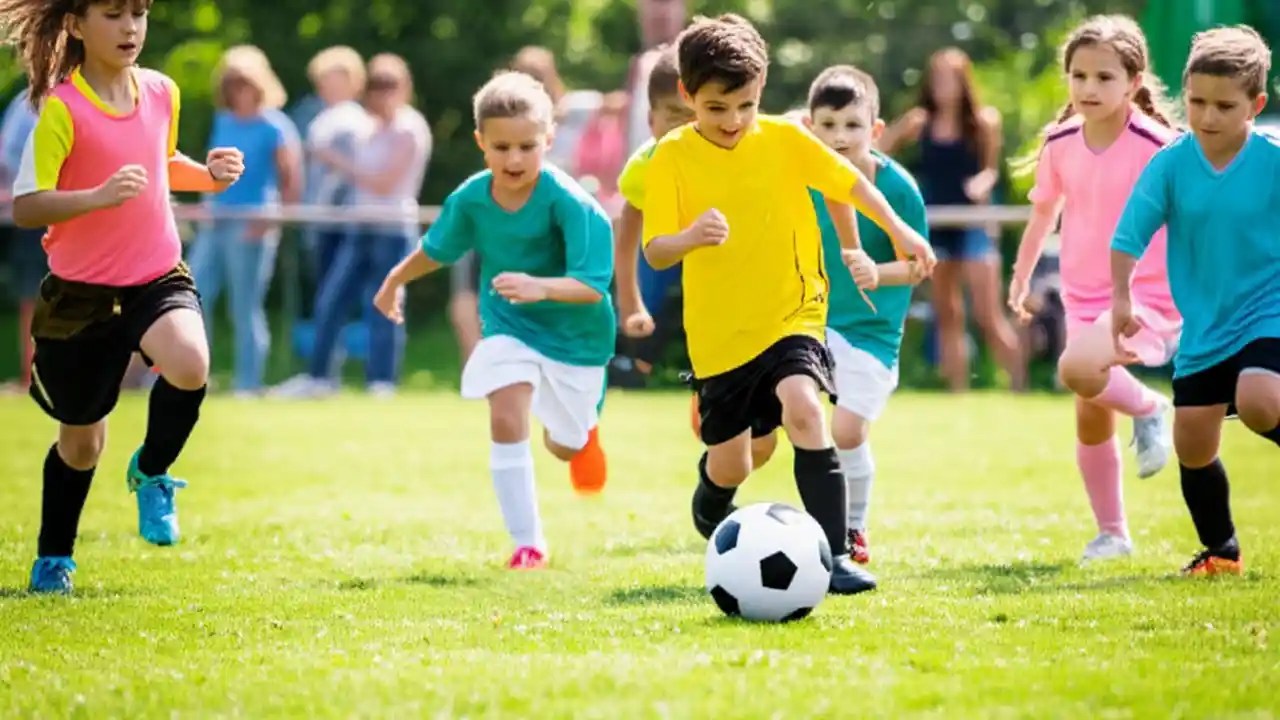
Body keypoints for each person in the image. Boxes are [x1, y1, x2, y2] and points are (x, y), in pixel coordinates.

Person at [641, 14, 933, 596]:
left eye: (745, 105)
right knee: (737, 462)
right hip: (720, 335)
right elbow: (655, 251)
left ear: (762, 92)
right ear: (687, 95)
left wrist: (899, 229)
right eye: (716, 108)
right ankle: (713, 490)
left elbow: (850, 183)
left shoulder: (786, 139)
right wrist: (690, 236)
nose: (733, 121)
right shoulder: (671, 157)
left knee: (805, 408)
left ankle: (836, 555)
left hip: (793, 313)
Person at [1, 0, 244, 593]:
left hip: (156, 276)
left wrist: (207, 176)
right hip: (80, 296)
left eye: (139, 13)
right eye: (114, 14)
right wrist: (95, 196)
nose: (130, 27)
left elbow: (159, 165)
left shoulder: (161, 90)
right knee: (81, 443)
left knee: (189, 364)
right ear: (78, 25)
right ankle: (54, 557)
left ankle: (152, 472)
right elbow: (29, 205)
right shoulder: (60, 108)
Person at [372, 71, 613, 569]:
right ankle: (529, 544)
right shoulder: (473, 197)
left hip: (578, 338)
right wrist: (394, 281)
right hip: (508, 325)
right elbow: (436, 249)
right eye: (501, 147)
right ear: (482, 142)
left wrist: (540, 286)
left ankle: (583, 434)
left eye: (527, 146)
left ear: (548, 140)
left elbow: (592, 286)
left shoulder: (572, 204)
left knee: (565, 446)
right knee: (505, 413)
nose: (515, 159)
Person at [1008, 15, 1182, 563]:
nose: (1088, 88)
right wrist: (1020, 275)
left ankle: (1152, 406)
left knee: (1076, 370)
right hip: (1082, 296)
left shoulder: (1159, 146)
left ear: (1134, 81)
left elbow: (1195, 220)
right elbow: (1043, 215)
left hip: (1146, 296)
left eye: (1104, 78)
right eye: (1078, 76)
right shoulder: (1060, 143)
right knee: (1089, 408)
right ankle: (1113, 534)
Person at [1111, 25, 1280, 577]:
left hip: (1269, 310)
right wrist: (1120, 298)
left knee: (1260, 401)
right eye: (1197, 102)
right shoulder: (1171, 163)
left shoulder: (1273, 161)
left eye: (1224, 106)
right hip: (1206, 325)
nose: (1208, 117)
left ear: (1256, 104)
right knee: (1191, 442)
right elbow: (1129, 236)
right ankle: (1221, 552)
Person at [795, 65, 930, 566]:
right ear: (810, 128)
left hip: (873, 333)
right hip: (810, 322)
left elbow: (920, 266)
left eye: (852, 126)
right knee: (794, 419)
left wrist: (878, 273)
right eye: (827, 125)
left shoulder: (897, 191)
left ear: (874, 131)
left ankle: (854, 530)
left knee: (848, 430)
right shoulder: (801, 182)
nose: (839, 137)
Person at [281, 53, 430, 398]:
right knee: (331, 302)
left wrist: (337, 161)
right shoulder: (368, 126)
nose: (382, 93)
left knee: (384, 306)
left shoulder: (410, 127)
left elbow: (384, 182)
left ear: (405, 87)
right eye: (376, 85)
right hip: (358, 226)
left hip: (392, 230)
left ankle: (381, 381)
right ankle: (319, 376)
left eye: (390, 85)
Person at [880, 47, 1026, 392]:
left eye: (951, 78)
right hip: (936, 220)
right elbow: (880, 149)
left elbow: (991, 170)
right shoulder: (921, 122)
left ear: (964, 82)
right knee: (947, 312)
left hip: (972, 220)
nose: (944, 85)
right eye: (938, 78)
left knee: (987, 314)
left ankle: (1020, 385)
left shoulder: (984, 121)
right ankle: (958, 390)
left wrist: (981, 183)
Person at [186, 45, 301, 395]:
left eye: (245, 82)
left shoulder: (275, 125)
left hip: (252, 222)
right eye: (232, 82)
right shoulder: (222, 120)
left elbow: (291, 180)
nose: (239, 89)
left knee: (244, 306)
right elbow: (212, 171)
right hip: (216, 219)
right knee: (192, 296)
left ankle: (247, 382)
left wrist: (272, 222)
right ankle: (189, 376)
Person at [612, 44, 693, 388]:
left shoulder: (736, 152)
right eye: (674, 116)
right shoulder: (645, 167)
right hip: (668, 252)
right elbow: (628, 234)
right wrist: (631, 303)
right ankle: (631, 360)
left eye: (694, 117)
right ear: (651, 120)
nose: (684, 129)